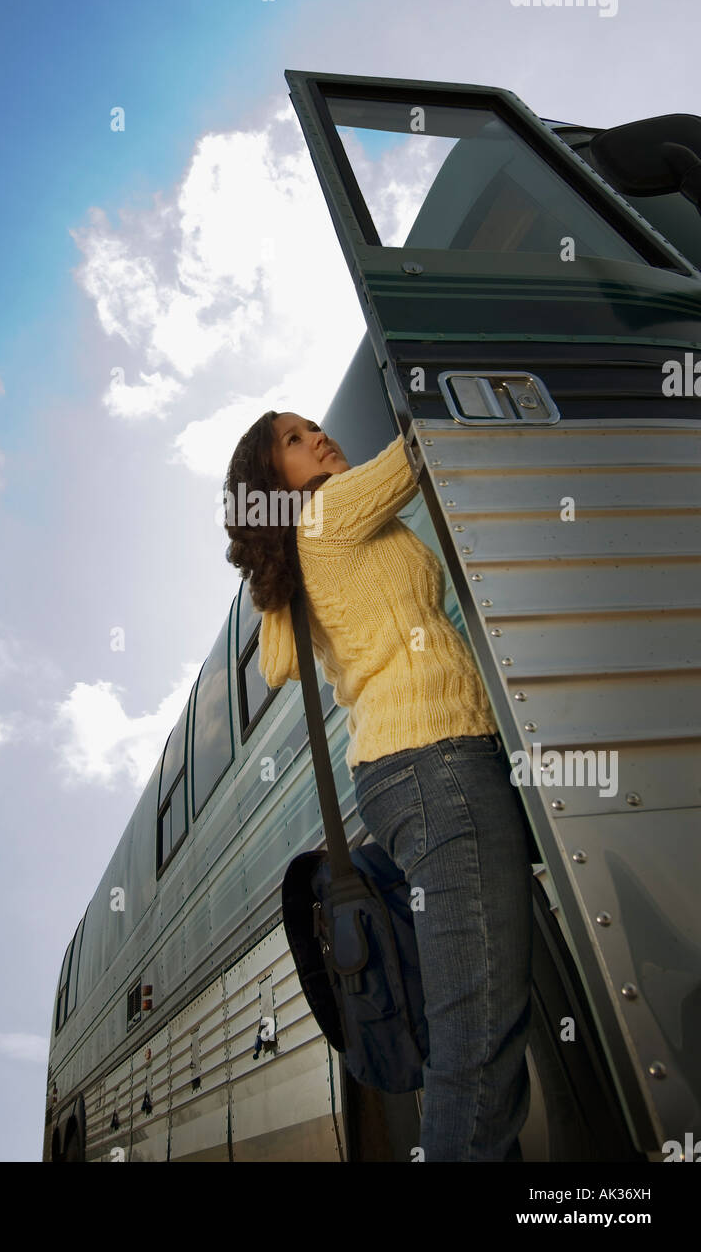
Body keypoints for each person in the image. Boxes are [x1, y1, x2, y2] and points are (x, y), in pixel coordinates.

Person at [223, 410, 533, 1162]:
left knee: (478, 1024)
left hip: (412, 772)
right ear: (273, 483)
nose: (319, 437)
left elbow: (279, 664)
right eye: (293, 441)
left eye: (315, 426)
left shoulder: (310, 547)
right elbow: (422, 445)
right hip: (438, 761)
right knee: (480, 1033)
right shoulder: (329, 513)